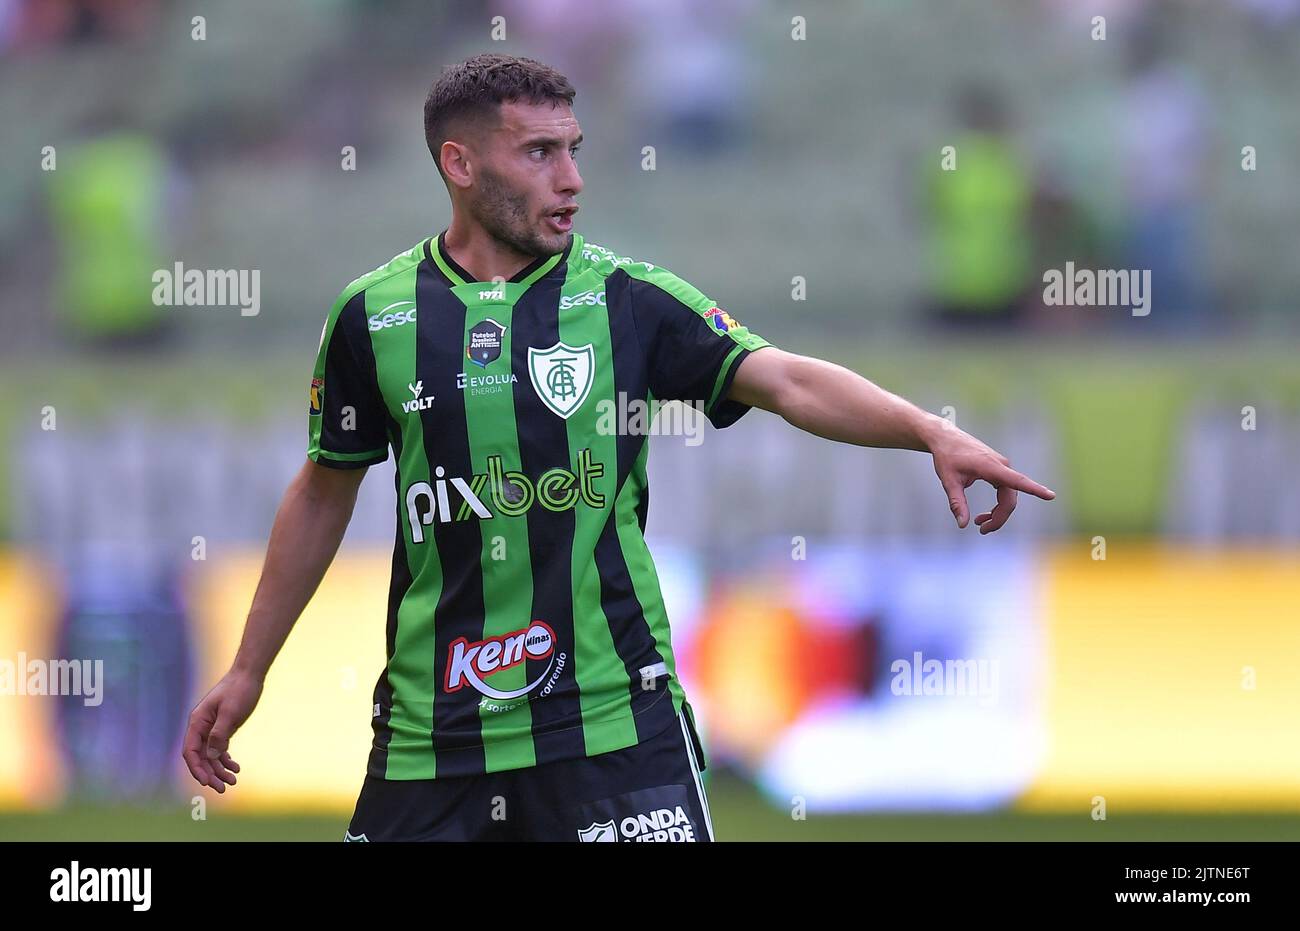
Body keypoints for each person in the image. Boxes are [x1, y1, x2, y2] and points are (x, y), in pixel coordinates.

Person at [182, 53, 1054, 842]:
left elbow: (784, 380)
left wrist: (926, 429)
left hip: (616, 724)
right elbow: (323, 490)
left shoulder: (627, 299)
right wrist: (251, 667)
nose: (572, 179)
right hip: (434, 736)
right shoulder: (373, 316)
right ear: (459, 164)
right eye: (539, 154)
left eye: (575, 149)